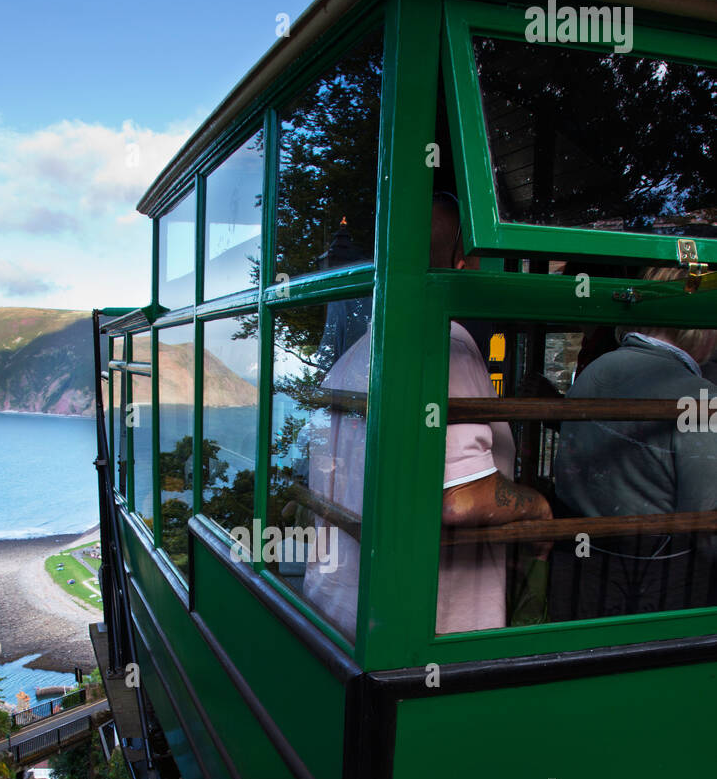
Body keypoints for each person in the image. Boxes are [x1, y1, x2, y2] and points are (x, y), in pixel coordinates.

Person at [300, 194, 552, 640]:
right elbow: (461, 499)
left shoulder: (352, 359)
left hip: (336, 617)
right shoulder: (447, 349)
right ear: (463, 262)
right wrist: (537, 507)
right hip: (426, 637)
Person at [551, 268, 717, 619]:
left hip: (579, 576)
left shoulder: (595, 371)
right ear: (700, 326)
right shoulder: (700, 396)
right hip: (657, 592)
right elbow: (707, 525)